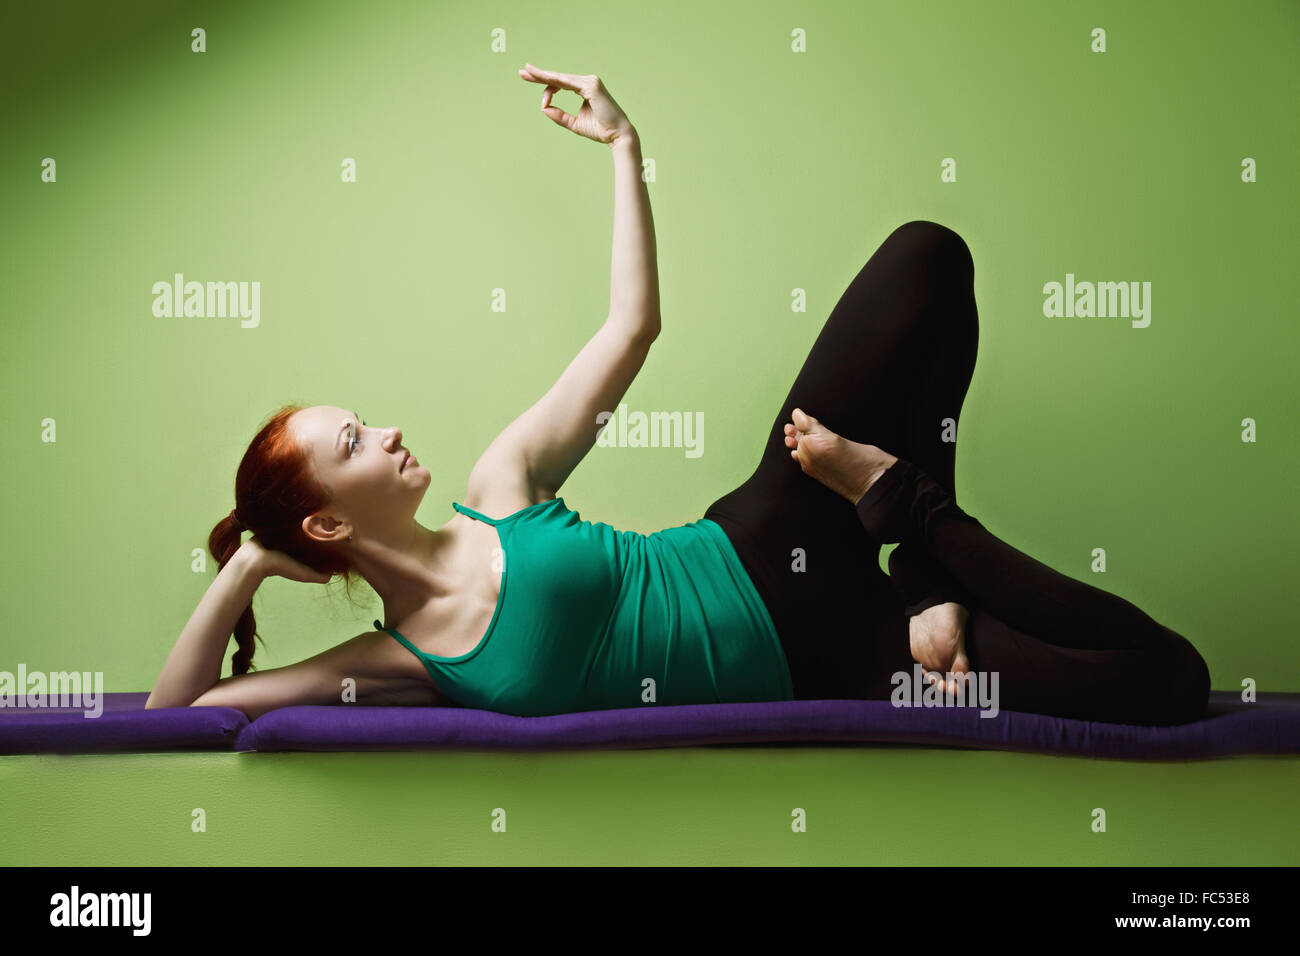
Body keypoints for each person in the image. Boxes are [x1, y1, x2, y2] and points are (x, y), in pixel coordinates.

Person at [146, 65, 1210, 726]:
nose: (385, 430)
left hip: (781, 521)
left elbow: (631, 328)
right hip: (844, 657)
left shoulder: (501, 483)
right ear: (327, 520)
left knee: (926, 258)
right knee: (1165, 680)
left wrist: (625, 150)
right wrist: (248, 563)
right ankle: (912, 532)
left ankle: (919, 550)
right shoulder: (402, 662)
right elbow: (175, 709)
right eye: (352, 441)